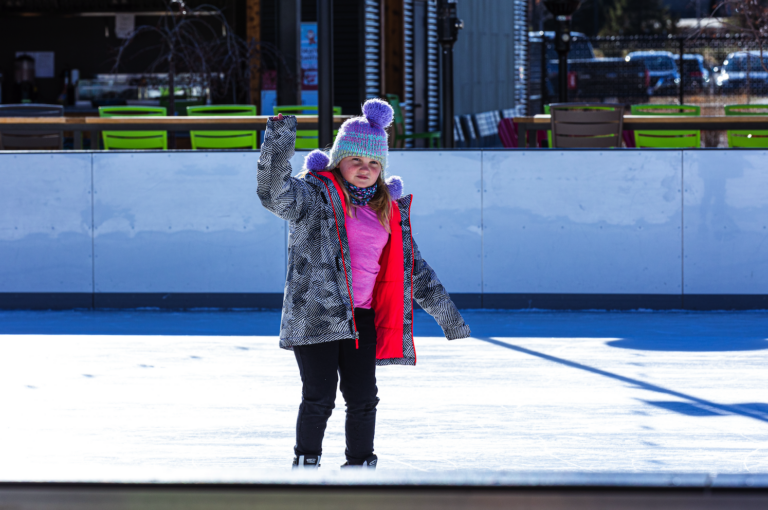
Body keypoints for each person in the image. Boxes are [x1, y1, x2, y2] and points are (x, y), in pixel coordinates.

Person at [257, 98, 471, 470]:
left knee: (363, 397)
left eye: (374, 163)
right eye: (356, 159)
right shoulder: (313, 196)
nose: (365, 169)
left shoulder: (387, 209)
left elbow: (415, 270)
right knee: (319, 396)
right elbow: (272, 192)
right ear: (339, 159)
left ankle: (360, 464)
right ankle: (306, 461)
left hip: (362, 318)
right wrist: (279, 135)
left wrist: (449, 319)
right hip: (316, 315)